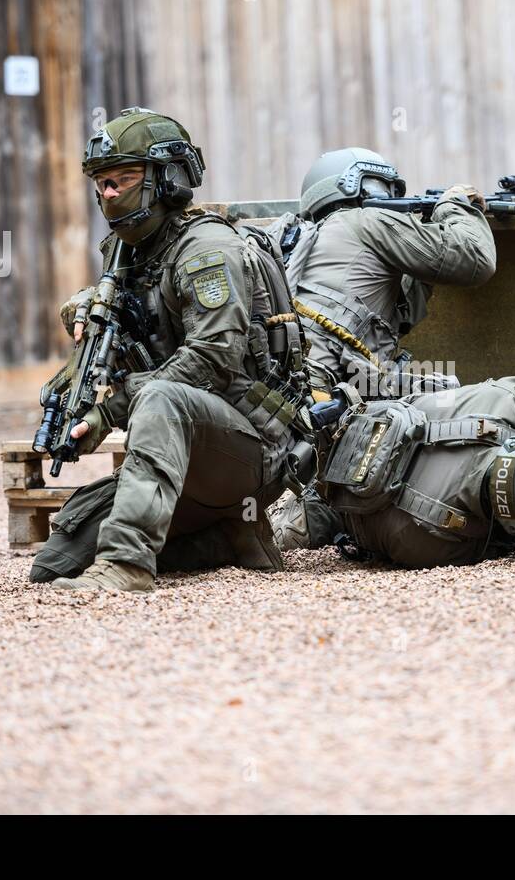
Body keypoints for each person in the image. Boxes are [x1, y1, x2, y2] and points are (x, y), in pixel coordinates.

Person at [30, 107, 307, 591]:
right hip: (190, 450)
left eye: (125, 177)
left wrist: (108, 412)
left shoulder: (204, 250)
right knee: (55, 562)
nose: (109, 192)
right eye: (102, 182)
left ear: (168, 178)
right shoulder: (130, 252)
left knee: (161, 398)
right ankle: (229, 536)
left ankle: (127, 566)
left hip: (254, 447)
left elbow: (211, 360)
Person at [273, 376, 515, 568]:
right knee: (264, 544)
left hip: (342, 429)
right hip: (330, 505)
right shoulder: (448, 542)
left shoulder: (505, 405)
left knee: (265, 539)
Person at [271, 147, 497, 401]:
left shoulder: (300, 238)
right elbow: (476, 260)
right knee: (503, 397)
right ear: (360, 186)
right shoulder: (366, 220)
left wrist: (424, 230)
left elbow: (398, 315)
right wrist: (455, 206)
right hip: (325, 394)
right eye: (385, 187)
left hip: (297, 391)